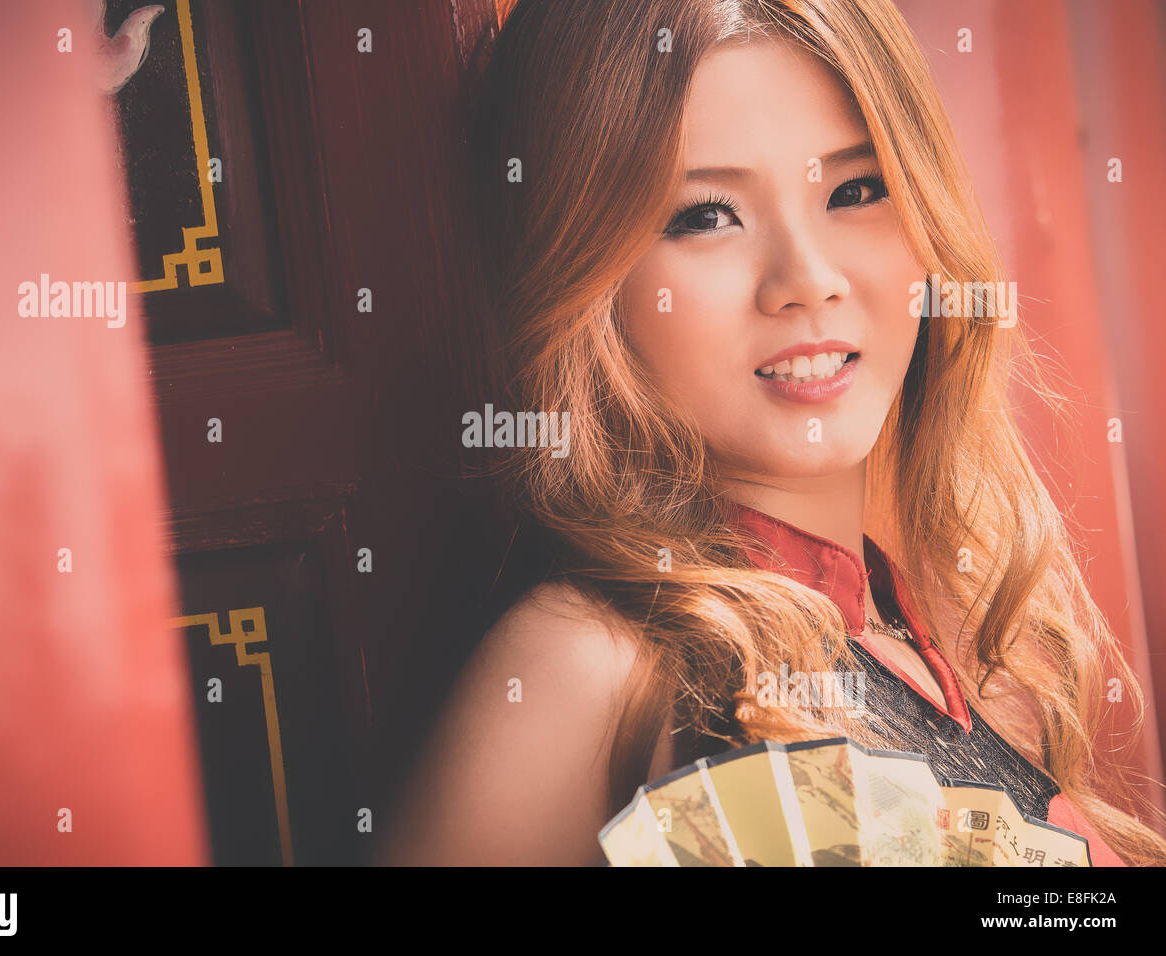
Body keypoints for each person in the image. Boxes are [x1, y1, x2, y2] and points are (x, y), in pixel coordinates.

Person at [376, 0, 1166, 866]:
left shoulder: (958, 647)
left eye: (855, 191)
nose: (808, 279)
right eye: (706, 215)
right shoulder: (589, 666)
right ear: (589, 275)